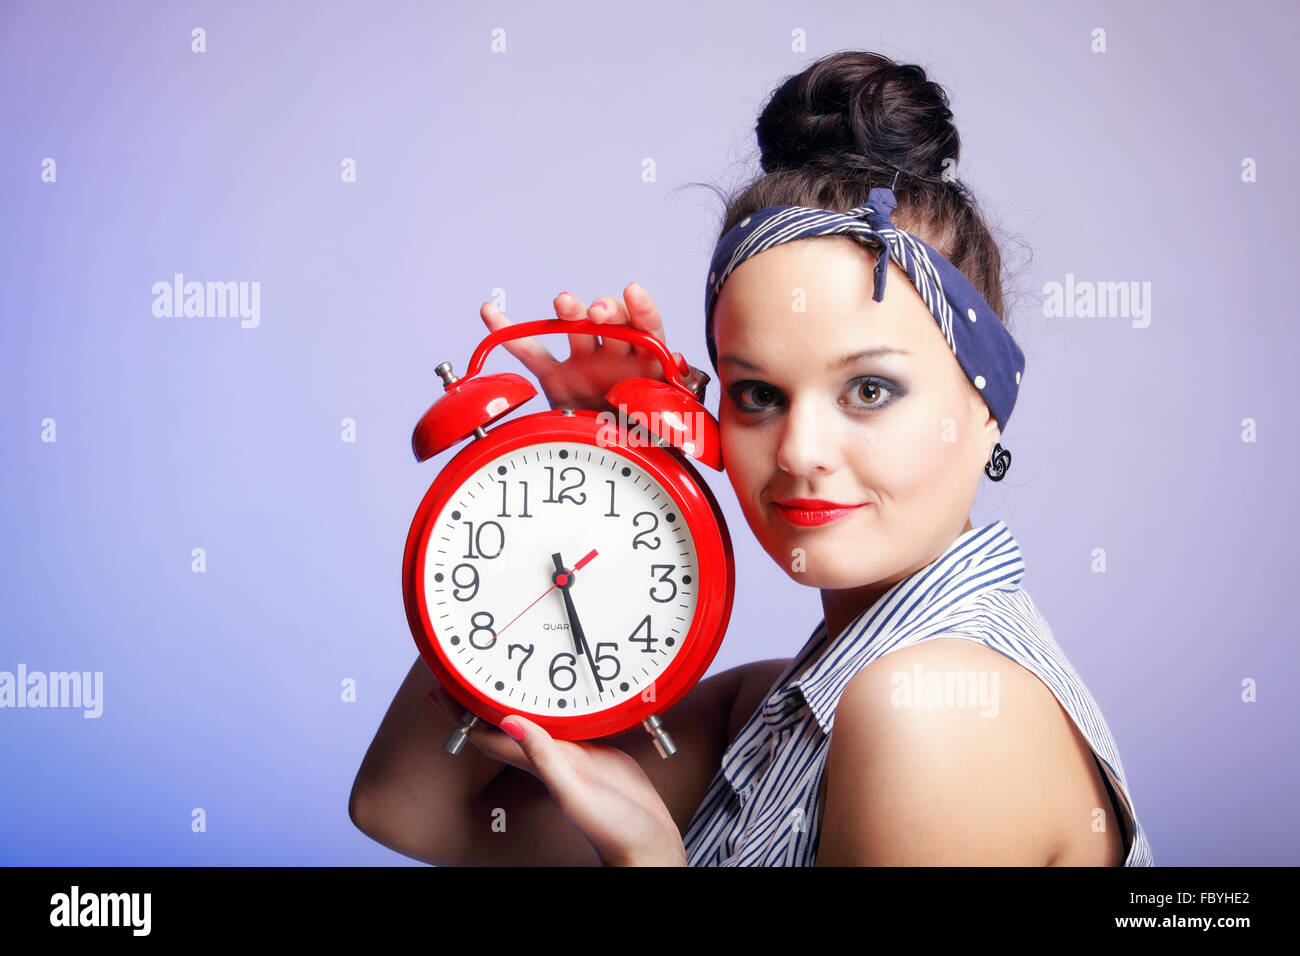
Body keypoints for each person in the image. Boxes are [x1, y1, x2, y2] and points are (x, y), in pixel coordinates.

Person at [348, 50, 1152, 867]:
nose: (799, 452)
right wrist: (572, 473)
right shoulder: (771, 709)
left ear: (985, 408)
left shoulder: (934, 711)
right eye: (758, 396)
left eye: (869, 390)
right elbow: (404, 806)